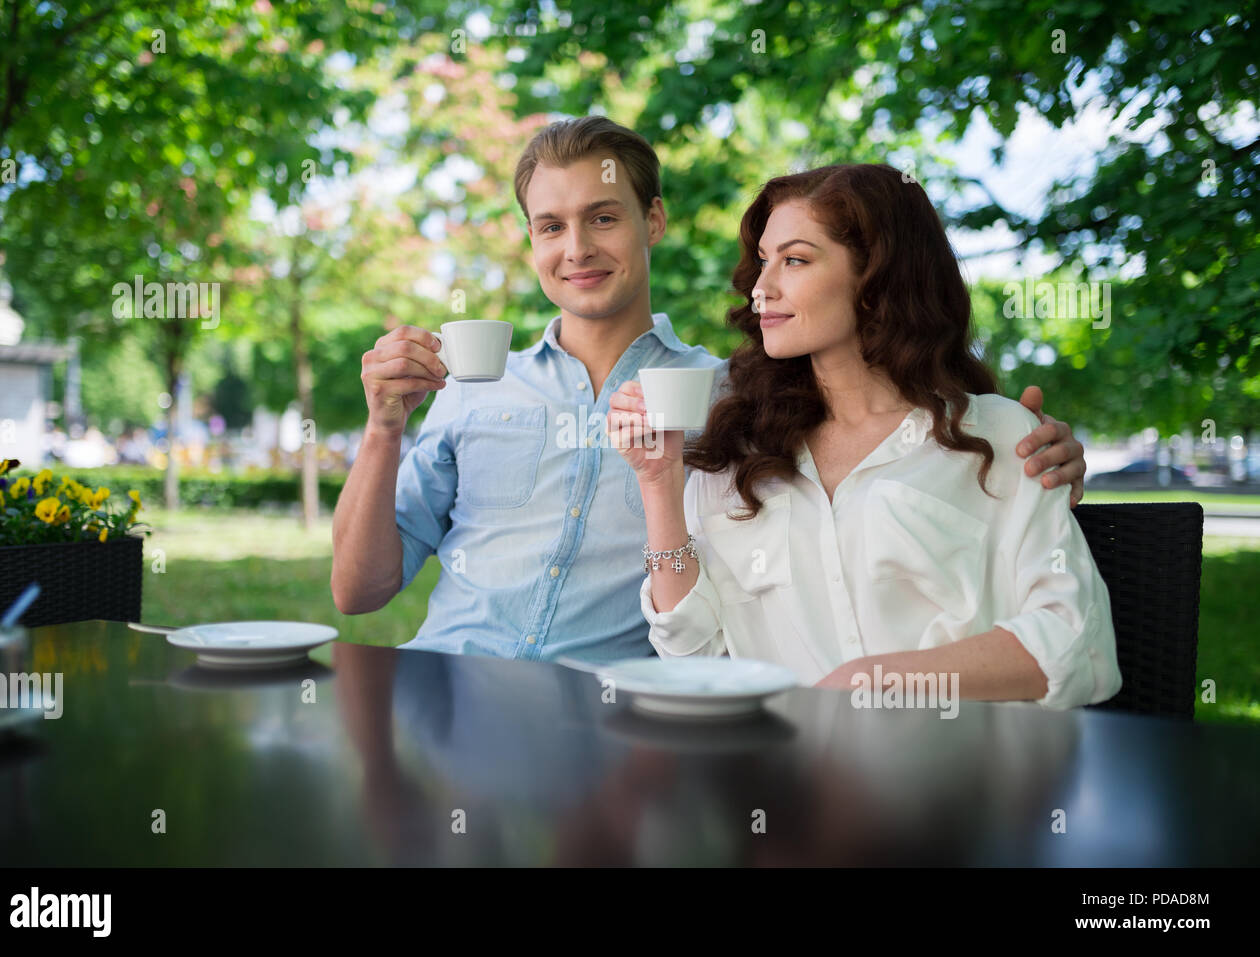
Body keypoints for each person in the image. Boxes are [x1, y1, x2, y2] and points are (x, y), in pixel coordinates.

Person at [331, 117, 1089, 665]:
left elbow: (883, 424)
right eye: (550, 226)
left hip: (602, 724)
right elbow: (358, 592)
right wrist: (382, 429)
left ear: (652, 220)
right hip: (442, 682)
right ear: (531, 240)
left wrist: (1028, 453)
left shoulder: (734, 400)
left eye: (602, 217)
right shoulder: (472, 386)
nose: (577, 249)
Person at [609, 163, 1120, 708]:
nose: (762, 288)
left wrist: (872, 681)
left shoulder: (1001, 435)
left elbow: (1074, 642)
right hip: (785, 777)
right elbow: (695, 660)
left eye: (795, 261)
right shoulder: (737, 455)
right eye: (763, 262)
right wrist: (660, 483)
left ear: (877, 280)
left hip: (960, 775)